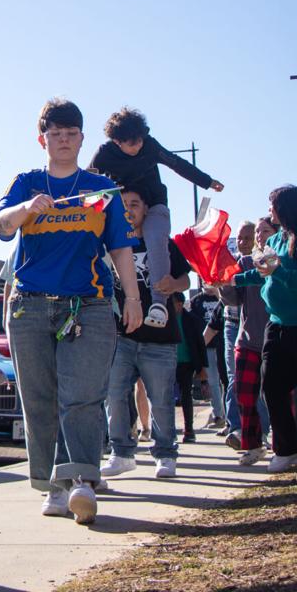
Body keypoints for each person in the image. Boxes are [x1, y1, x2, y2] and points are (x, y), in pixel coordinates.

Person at [0, 98, 142, 524]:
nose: (63, 140)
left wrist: (132, 298)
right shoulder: (26, 181)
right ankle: (53, 487)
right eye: (55, 133)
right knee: (40, 401)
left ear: (81, 138)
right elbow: (2, 226)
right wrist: (26, 210)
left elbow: (120, 246)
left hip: (90, 306)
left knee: (81, 398)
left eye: (71, 133)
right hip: (29, 306)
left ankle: (81, 481)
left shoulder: (101, 188)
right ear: (42, 139)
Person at [89, 108, 224, 330]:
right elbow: (89, 182)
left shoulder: (149, 144)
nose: (138, 146)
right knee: (102, 234)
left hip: (154, 204)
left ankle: (158, 305)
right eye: (131, 144)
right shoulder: (104, 153)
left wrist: (207, 181)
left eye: (140, 141)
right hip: (124, 205)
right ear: (117, 141)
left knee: (155, 238)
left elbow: (176, 163)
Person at [236, 186, 297, 473]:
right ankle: (287, 447)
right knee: (272, 387)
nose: (270, 212)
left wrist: (278, 272)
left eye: (273, 205)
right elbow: (263, 270)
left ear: (288, 207)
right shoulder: (276, 239)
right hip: (278, 325)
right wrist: (234, 280)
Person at [102, 187, 191, 480]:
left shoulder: (162, 244)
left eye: (135, 204)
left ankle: (165, 454)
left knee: (161, 398)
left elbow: (186, 279)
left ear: (146, 211)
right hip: (121, 335)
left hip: (160, 337)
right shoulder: (111, 245)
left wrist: (173, 284)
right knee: (115, 394)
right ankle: (121, 453)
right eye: (124, 204)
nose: (129, 209)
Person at [219, 216, 276, 465]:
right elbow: (232, 298)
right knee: (244, 392)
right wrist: (223, 282)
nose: (261, 236)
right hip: (248, 336)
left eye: (265, 231)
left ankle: (280, 438)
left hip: (277, 334)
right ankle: (252, 445)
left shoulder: (280, 259)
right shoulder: (243, 262)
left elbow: (270, 272)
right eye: (259, 232)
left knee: (274, 393)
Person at [172, 292, 208, 444]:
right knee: (167, 398)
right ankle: (169, 431)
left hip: (187, 363)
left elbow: (200, 344)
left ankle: (189, 430)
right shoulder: (166, 319)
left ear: (180, 304)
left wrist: (202, 368)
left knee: (186, 396)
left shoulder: (191, 319)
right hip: (169, 362)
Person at [191, 288, 227, 428]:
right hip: (207, 345)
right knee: (213, 381)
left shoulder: (222, 296)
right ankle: (218, 415)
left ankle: (227, 414)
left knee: (227, 380)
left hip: (224, 343)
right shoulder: (196, 301)